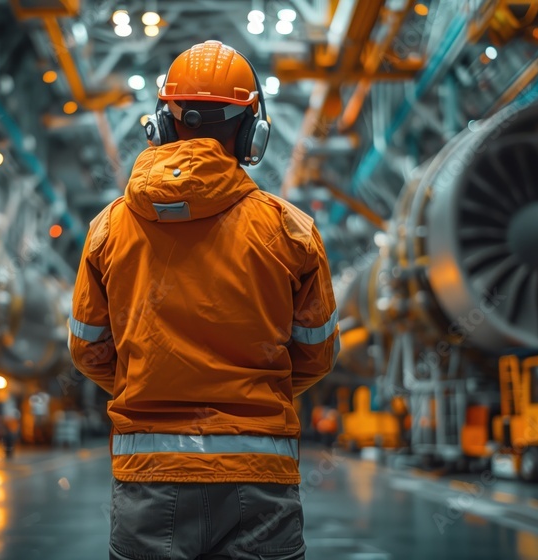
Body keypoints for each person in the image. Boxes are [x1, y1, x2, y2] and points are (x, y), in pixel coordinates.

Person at [69, 40, 339, 560]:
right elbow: (316, 355)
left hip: (148, 484)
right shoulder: (291, 232)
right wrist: (258, 395)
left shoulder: (108, 229)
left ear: (162, 124)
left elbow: (89, 349)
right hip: (261, 484)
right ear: (252, 133)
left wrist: (149, 379)